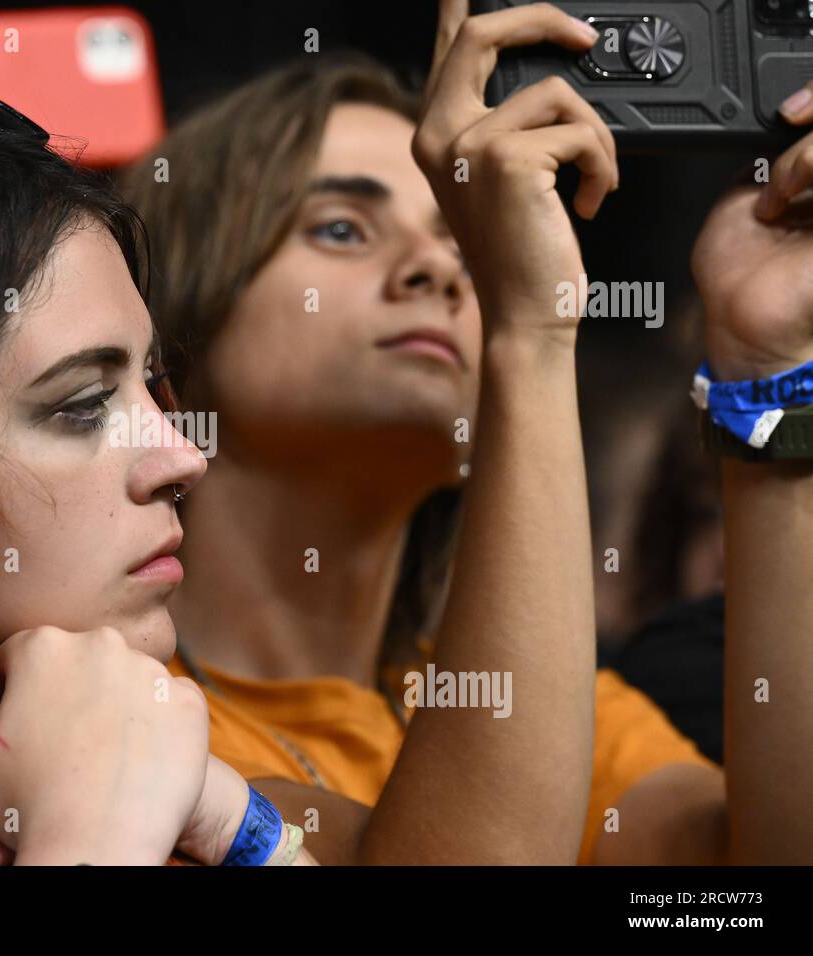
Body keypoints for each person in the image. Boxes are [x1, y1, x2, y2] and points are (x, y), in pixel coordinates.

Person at [116, 0, 813, 864]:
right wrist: (529, 327)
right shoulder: (107, 707)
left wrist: (768, 362)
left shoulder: (558, 707)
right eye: (341, 229)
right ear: (166, 333)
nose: (439, 267)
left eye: (465, 240)